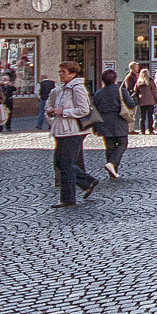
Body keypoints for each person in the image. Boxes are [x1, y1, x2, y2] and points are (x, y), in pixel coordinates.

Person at [46, 61, 99, 207]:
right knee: (60, 162)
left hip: (73, 130)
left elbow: (84, 110)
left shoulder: (77, 88)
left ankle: (68, 198)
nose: (60, 74)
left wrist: (63, 112)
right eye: (60, 71)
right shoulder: (61, 89)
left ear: (72, 73)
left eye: (63, 71)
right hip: (61, 130)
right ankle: (87, 181)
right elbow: (50, 103)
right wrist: (51, 111)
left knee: (66, 163)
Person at [91, 69, 130, 178]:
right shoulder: (120, 91)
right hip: (119, 120)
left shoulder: (99, 93)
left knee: (110, 146)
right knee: (122, 143)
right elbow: (130, 103)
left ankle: (112, 172)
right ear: (114, 79)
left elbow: (94, 109)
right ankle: (112, 163)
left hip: (104, 122)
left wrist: (95, 127)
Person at [131, 65, 157, 135]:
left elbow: (135, 91)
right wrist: (156, 99)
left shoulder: (139, 82)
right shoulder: (150, 81)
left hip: (142, 100)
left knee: (142, 117)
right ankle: (150, 129)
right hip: (150, 101)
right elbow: (154, 91)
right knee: (150, 116)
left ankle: (142, 130)